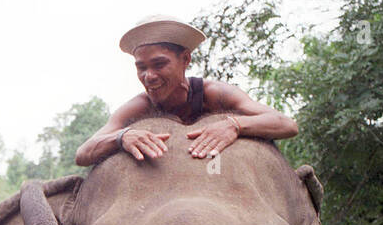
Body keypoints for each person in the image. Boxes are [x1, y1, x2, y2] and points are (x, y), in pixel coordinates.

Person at [74, 15, 298, 166]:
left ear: (185, 60)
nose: (149, 76)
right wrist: (122, 137)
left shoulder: (215, 94)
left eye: (159, 64)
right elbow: (83, 153)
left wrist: (234, 125)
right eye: (141, 67)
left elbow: (287, 124)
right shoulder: (139, 107)